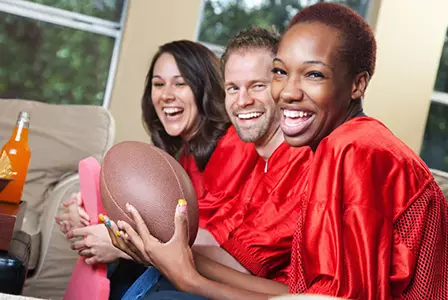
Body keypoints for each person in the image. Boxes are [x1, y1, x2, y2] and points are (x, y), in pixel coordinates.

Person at [107, 3, 448, 300]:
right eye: (281, 73)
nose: (288, 92)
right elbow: (308, 295)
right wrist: (168, 259)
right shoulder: (333, 147)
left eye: (314, 74)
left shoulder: (355, 150)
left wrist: (190, 278)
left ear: (357, 84)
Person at [56, 40, 257, 298]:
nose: (166, 95)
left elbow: (210, 238)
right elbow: (154, 212)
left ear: (205, 88)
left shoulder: (234, 147)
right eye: (158, 84)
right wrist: (88, 208)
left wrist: (121, 242)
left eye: (180, 83)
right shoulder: (180, 152)